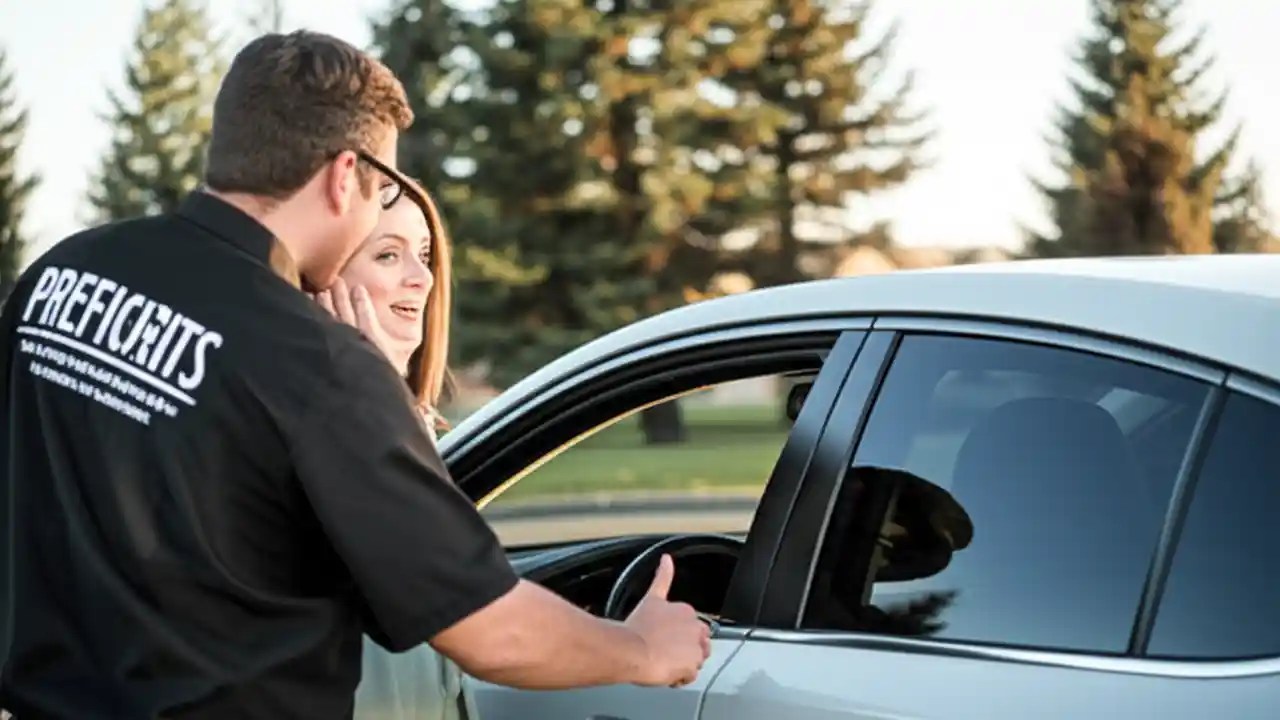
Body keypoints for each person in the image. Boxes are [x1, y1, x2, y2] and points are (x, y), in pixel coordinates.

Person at [0, 30, 709, 720]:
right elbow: (491, 630)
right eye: (384, 186)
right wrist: (642, 648)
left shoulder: (63, 274)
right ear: (346, 176)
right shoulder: (321, 363)